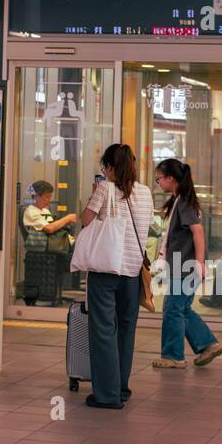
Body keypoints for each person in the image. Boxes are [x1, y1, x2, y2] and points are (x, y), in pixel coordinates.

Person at [76, 143, 154, 409]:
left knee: (103, 331)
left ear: (109, 168)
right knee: (125, 330)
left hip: (105, 269)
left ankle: (106, 396)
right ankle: (121, 388)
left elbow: (86, 221)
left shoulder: (104, 189)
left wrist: (94, 196)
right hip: (132, 272)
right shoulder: (144, 193)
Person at [151, 158, 222, 369]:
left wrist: (199, 264)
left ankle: (173, 355)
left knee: (174, 310)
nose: (158, 183)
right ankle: (207, 344)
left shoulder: (184, 203)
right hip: (181, 266)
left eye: (159, 179)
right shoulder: (179, 201)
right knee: (181, 308)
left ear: (171, 178)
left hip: (185, 267)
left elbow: (198, 232)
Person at [21, 181, 77, 304]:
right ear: (36, 196)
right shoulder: (31, 212)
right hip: (44, 246)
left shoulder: (45, 211)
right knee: (76, 253)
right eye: (47, 197)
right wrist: (67, 218)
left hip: (54, 243)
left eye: (50, 197)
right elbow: (49, 228)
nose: (49, 200)